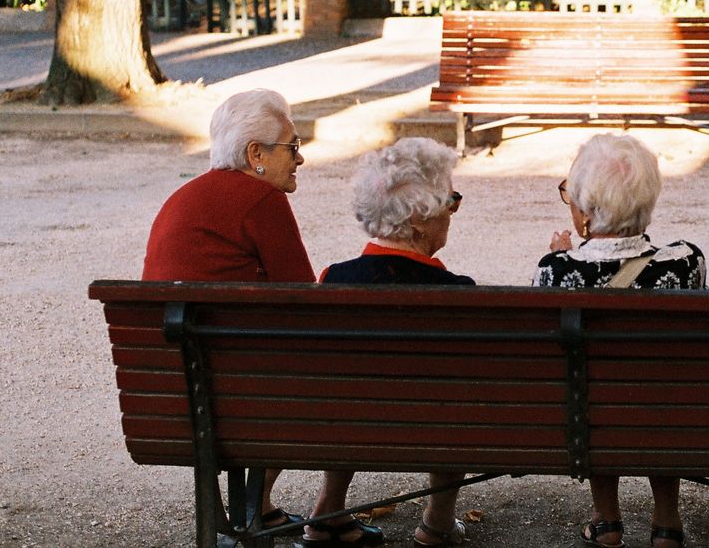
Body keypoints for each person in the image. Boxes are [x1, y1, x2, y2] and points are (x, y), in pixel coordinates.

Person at [142, 89, 351, 537]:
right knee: (334, 368)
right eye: (292, 147)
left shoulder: (185, 197)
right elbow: (304, 301)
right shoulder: (261, 200)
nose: (301, 159)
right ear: (256, 153)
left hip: (173, 394)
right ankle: (320, 513)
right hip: (241, 399)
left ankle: (256, 508)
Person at [534, 134, 705, 548]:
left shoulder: (555, 271)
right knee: (659, 386)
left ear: (587, 212)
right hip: (665, 412)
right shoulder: (686, 263)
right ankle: (667, 522)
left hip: (589, 417)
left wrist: (561, 253)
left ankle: (607, 519)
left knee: (588, 381)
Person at [316, 137, 472, 548]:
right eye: (451, 200)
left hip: (342, 425)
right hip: (434, 428)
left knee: (346, 389)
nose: (454, 211)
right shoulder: (458, 292)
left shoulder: (332, 280)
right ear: (421, 217)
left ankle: (327, 509)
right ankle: (438, 521)